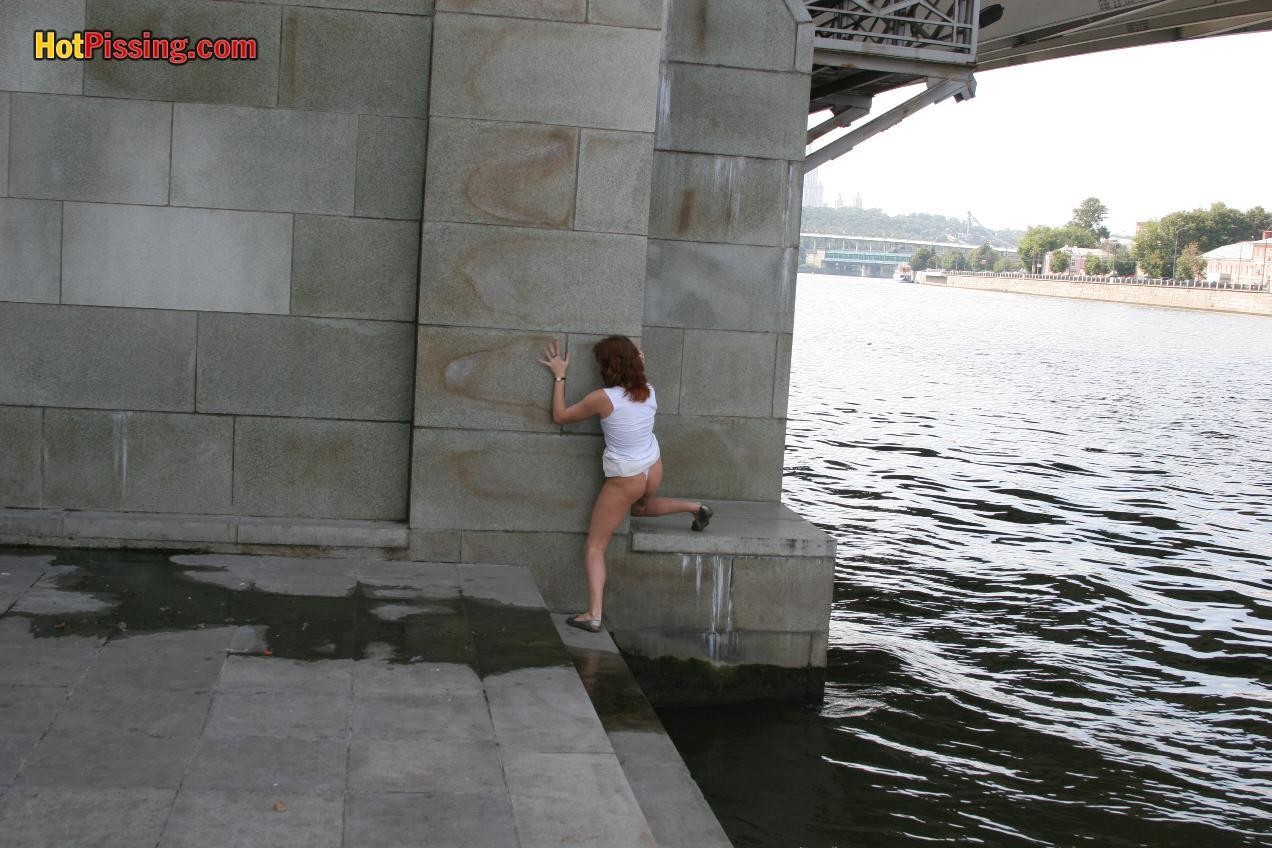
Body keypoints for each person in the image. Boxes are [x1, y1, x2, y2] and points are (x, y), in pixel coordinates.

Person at [538, 336, 711, 633]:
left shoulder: (603, 398)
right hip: (652, 467)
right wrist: (637, 360)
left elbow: (560, 416)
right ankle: (695, 508)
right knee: (640, 510)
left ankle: (593, 614)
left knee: (594, 546)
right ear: (635, 361)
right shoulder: (650, 391)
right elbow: (637, 369)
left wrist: (560, 375)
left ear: (608, 366)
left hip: (626, 477)